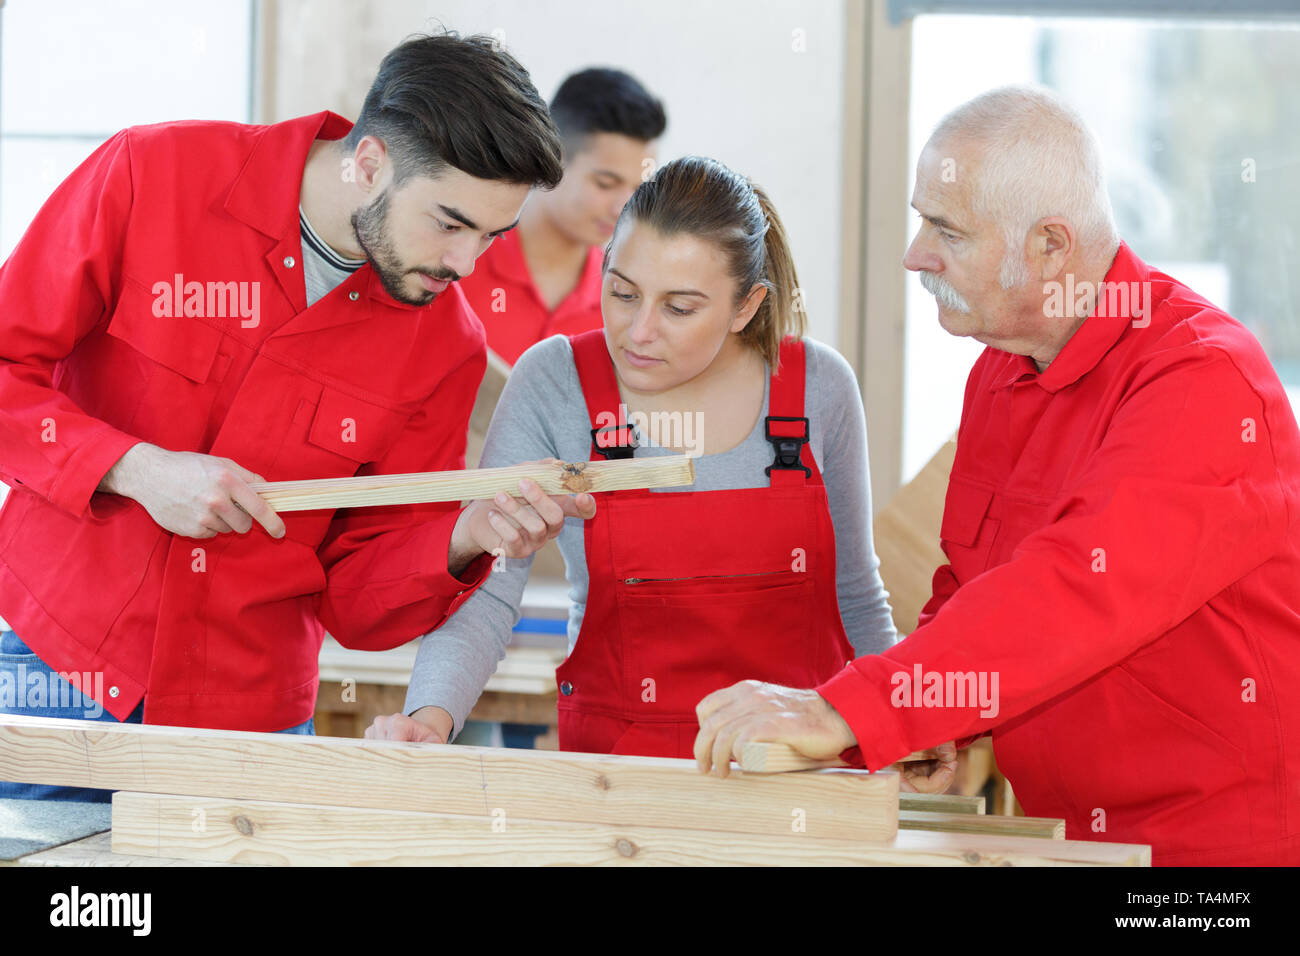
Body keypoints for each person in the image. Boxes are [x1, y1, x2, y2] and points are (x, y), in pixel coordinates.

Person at [692, 86, 1300, 866]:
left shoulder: (1203, 381)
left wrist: (851, 708)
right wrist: (940, 715)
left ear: (1051, 246)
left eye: (947, 230)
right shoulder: (1002, 370)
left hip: (1221, 852)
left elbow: (1073, 591)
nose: (915, 253)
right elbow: (977, 585)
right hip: (1073, 836)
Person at [0, 31, 596, 800]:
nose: (464, 264)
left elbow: (355, 600)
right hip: (54, 663)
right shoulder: (154, 175)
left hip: (249, 721)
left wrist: (465, 534)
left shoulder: (444, 347)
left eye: (491, 235)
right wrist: (135, 469)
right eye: (450, 223)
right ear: (371, 162)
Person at [366, 155, 898, 758]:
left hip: (801, 776)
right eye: (622, 292)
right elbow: (490, 586)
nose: (637, 331)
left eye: (679, 308)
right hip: (617, 782)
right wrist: (429, 718)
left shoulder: (818, 387)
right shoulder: (555, 380)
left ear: (746, 306)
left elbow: (856, 595)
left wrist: (898, 725)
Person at [459, 68, 666, 364]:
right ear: (554, 156)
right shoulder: (458, 261)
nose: (623, 207)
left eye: (638, 188)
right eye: (605, 183)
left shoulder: (626, 306)